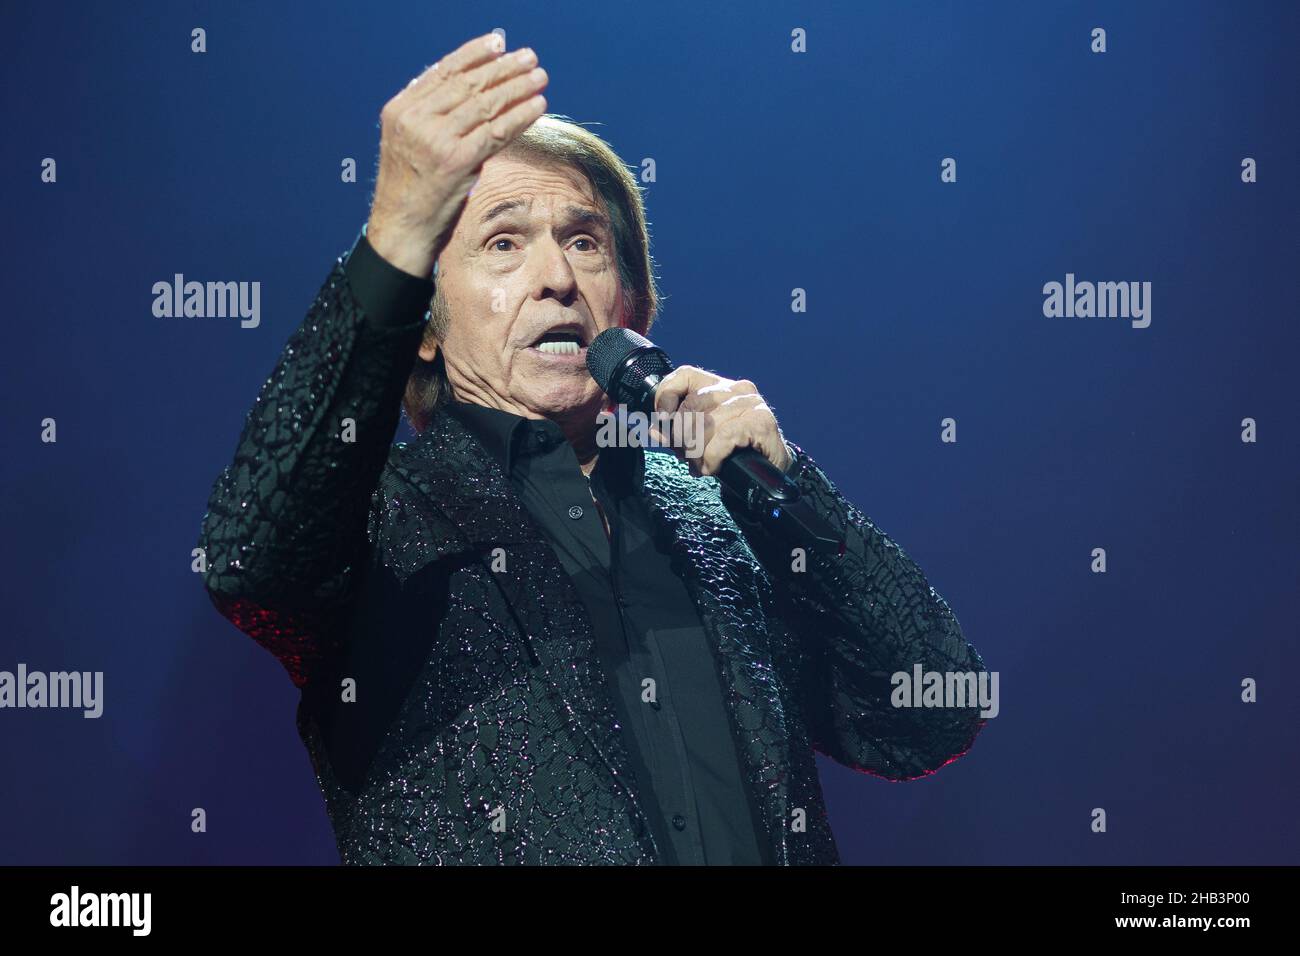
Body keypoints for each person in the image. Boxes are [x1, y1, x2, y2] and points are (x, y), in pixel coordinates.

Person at [196, 32, 989, 865]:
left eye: (583, 241)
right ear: (422, 326)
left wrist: (790, 486)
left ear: (633, 309)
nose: (557, 277)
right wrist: (396, 229)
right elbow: (249, 559)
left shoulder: (721, 516)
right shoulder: (381, 526)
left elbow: (930, 714)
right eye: (504, 242)